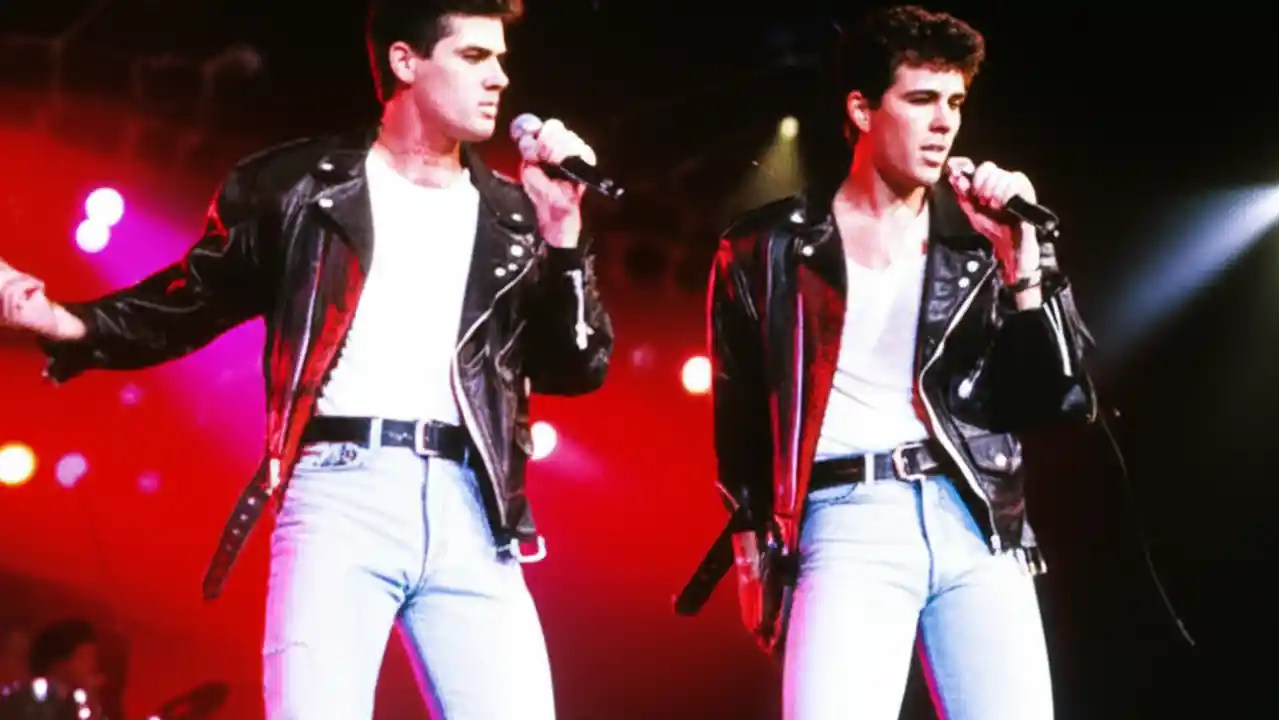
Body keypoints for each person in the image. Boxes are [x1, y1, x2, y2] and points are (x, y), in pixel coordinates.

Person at [0, 1, 613, 717]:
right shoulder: (298, 188)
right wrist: (65, 321)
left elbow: (577, 367)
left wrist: (565, 235)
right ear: (405, 61)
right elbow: (191, 300)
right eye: (474, 57)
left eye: (501, 58)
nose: (500, 78)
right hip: (340, 494)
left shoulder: (513, 216)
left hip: (476, 511)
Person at [677, 5, 1097, 719]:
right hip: (848, 521)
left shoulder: (983, 240)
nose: (945, 123)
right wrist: (753, 554)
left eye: (956, 102)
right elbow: (741, 420)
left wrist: (1024, 271)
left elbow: (1061, 402)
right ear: (863, 108)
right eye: (922, 100)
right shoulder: (766, 247)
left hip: (976, 525)